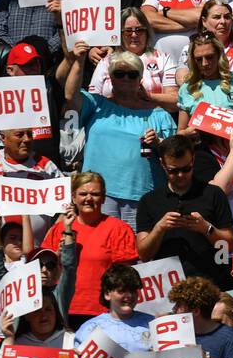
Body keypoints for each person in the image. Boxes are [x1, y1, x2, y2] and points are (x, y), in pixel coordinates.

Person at [63, 42, 178, 228]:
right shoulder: (97, 104)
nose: (125, 78)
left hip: (142, 196)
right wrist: (79, 60)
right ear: (110, 78)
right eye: (119, 74)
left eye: (132, 75)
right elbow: (70, 95)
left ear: (140, 78)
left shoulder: (160, 114)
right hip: (97, 196)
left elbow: (176, 158)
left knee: (136, 254)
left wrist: (159, 143)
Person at [136, 135, 233, 288]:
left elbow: (228, 246)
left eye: (186, 169)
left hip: (209, 283)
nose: (181, 175)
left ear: (193, 160)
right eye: (173, 171)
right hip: (167, 288)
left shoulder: (213, 194)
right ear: (162, 164)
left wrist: (206, 229)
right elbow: (143, 254)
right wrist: (159, 228)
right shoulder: (149, 201)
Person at [40, 174, 138, 326]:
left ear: (104, 198)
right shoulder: (58, 229)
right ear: (73, 197)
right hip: (61, 309)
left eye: (95, 194)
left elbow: (124, 276)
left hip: (103, 312)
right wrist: (58, 254)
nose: (89, 198)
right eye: (83, 194)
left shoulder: (119, 229)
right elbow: (44, 272)